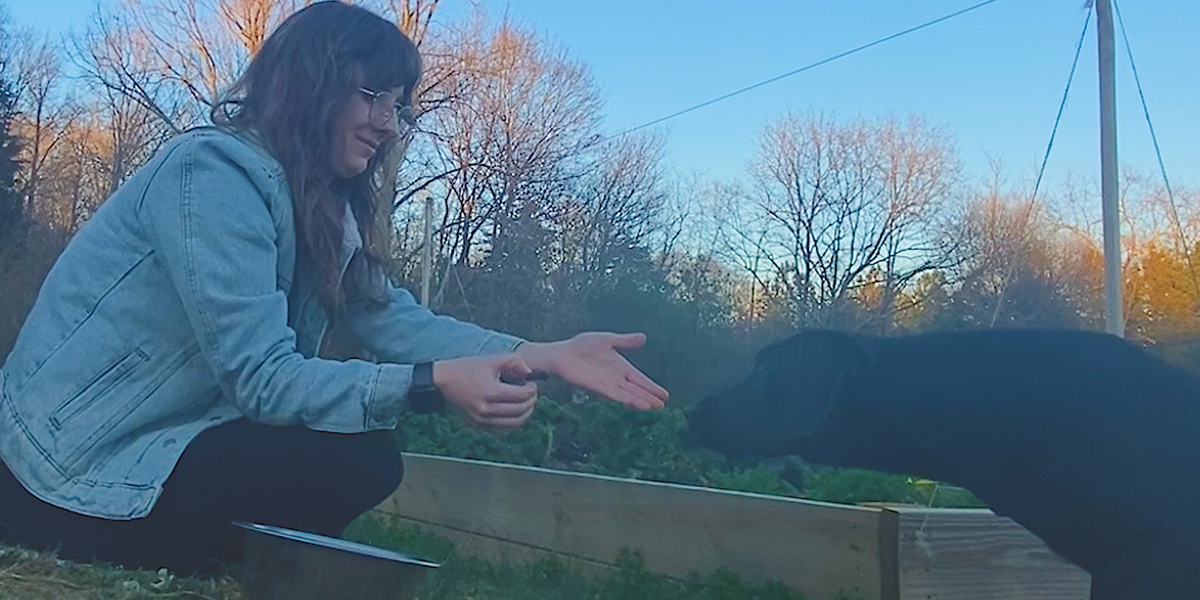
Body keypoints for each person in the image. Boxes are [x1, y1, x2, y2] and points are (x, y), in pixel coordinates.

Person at [0, 1, 668, 576]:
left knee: (360, 458)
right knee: (357, 458)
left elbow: (391, 319)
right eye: (371, 97)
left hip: (163, 441)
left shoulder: (322, 207)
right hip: (62, 462)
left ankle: (205, 555)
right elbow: (262, 378)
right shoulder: (211, 176)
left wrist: (541, 351)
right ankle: (134, 546)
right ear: (308, 86)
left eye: (399, 106)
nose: (389, 123)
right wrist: (430, 383)